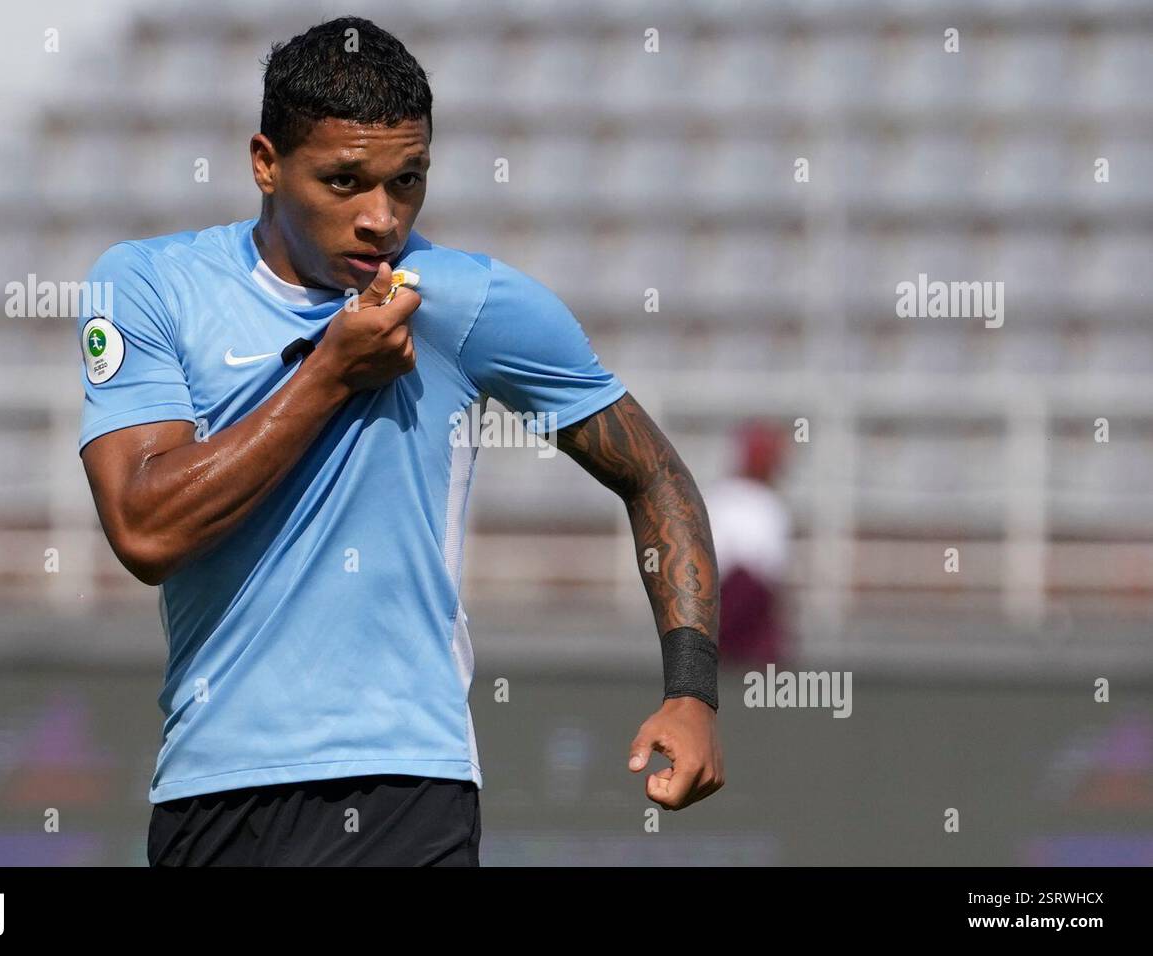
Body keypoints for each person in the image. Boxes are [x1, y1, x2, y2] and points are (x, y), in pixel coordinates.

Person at [76, 16, 723, 866]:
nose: (382, 218)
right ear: (265, 163)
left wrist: (693, 693)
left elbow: (654, 475)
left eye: (407, 181)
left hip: (407, 787)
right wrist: (330, 374)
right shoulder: (150, 286)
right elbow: (145, 529)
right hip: (214, 787)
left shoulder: (466, 299)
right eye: (345, 181)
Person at [704, 423, 791, 667]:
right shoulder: (721, 497)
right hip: (725, 601)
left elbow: (770, 575)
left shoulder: (770, 504)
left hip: (751, 609)